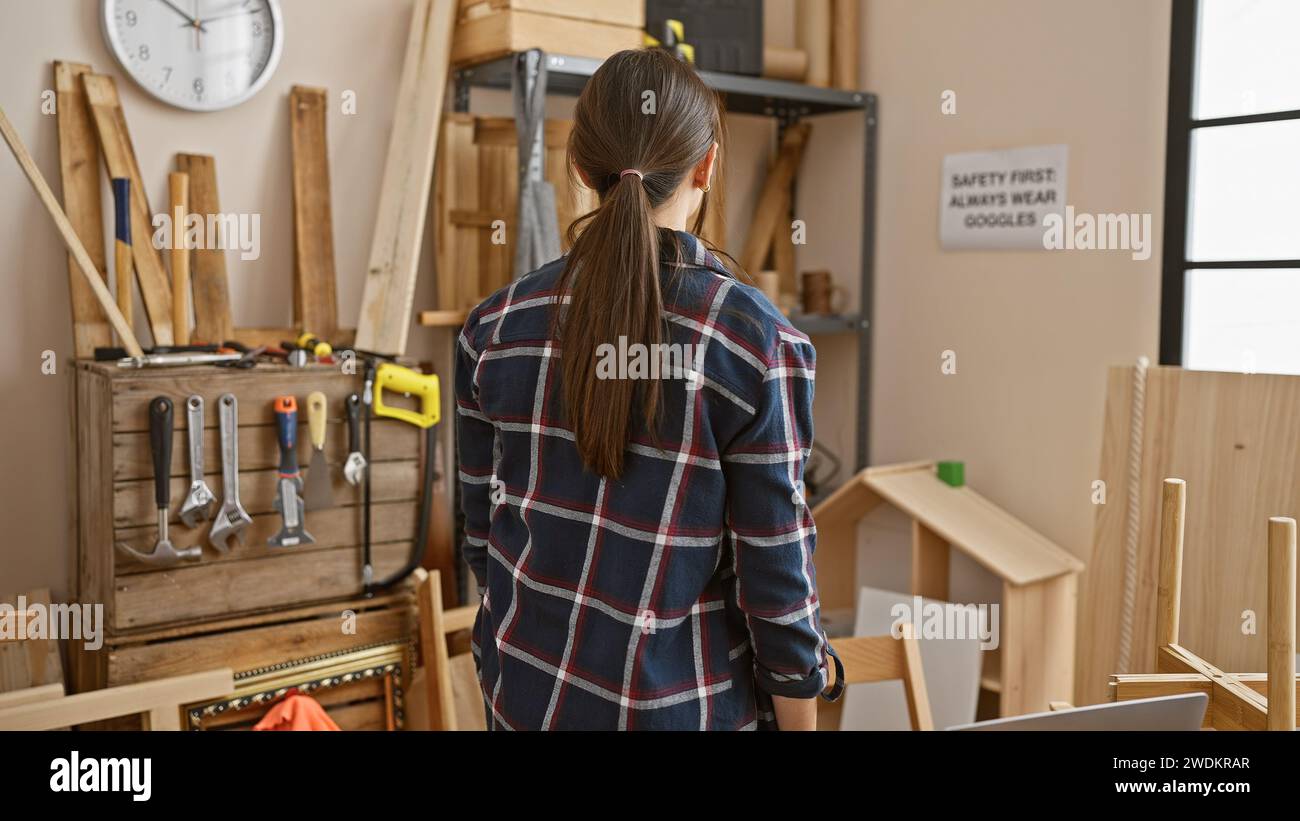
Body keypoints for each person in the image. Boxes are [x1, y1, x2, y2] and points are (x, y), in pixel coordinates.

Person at [455, 48, 842, 731]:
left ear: (578, 167)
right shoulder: (754, 342)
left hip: (525, 704)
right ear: (707, 165)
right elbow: (776, 589)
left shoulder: (493, 326)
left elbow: (486, 542)